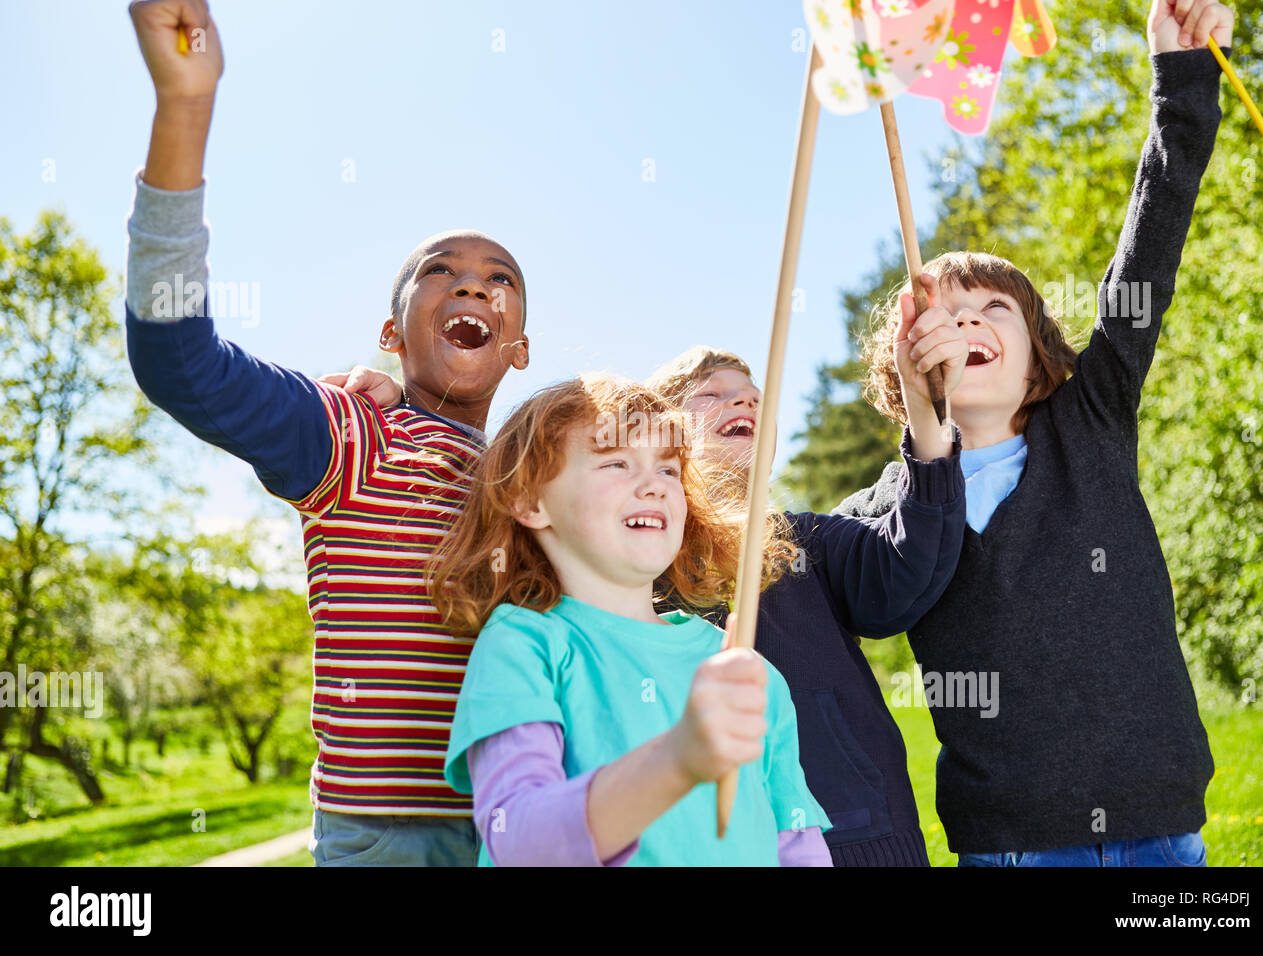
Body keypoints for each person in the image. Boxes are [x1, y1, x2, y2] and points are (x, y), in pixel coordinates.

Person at [124, 0, 529, 865]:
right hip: (387, 839)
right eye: (439, 273)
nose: (470, 287)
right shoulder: (354, 433)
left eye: (498, 279)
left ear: (520, 345)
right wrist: (186, 105)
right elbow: (178, 361)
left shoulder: (542, 474)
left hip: (532, 823)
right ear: (392, 333)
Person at [834, 0, 1234, 867]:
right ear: (905, 359)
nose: (967, 320)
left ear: (1039, 349)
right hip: (1010, 846)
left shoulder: (1088, 418)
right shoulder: (885, 508)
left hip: (1162, 827)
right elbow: (854, 601)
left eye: (994, 309)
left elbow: (1151, 240)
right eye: (941, 312)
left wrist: (1182, 79)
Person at [432, 375, 830, 865]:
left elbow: (795, 843)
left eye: (668, 471)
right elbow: (517, 839)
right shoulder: (524, 644)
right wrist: (677, 759)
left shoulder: (744, 667)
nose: (654, 486)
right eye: (617, 462)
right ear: (530, 500)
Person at [647, 347, 965, 865]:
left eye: (755, 397)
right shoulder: (641, 558)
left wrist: (929, 437)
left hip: (861, 837)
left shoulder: (806, 540)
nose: (745, 400)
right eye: (711, 395)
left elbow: (906, 569)